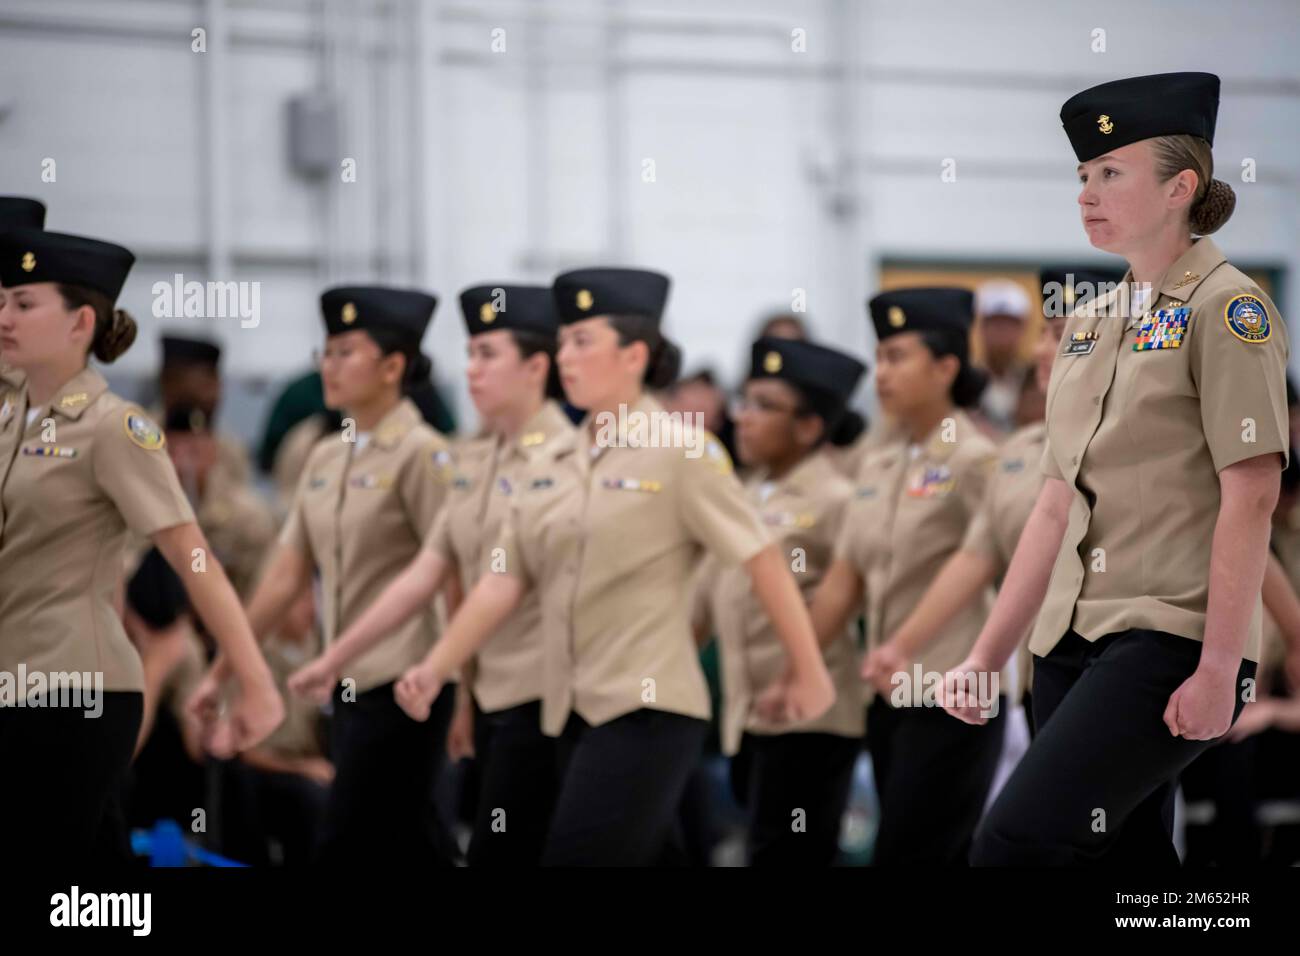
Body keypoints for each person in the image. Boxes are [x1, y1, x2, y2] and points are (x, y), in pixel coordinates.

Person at [939, 72, 1288, 866]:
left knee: (1016, 841)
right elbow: (1055, 505)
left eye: (1110, 174)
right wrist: (986, 657)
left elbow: (1253, 493)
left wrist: (1219, 668)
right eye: (1083, 177)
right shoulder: (1090, 325)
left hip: (1167, 636)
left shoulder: (1229, 310)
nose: (1087, 194)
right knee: (1129, 867)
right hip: (1067, 639)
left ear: (1181, 187)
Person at [392, 266, 836, 866]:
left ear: (633, 354)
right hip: (568, 711)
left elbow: (761, 560)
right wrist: (436, 666)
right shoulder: (553, 459)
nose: (563, 355)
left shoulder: (682, 450)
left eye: (581, 342)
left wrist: (808, 671)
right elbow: (503, 578)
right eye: (562, 341)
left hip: (646, 709)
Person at [0, 227, 282, 863]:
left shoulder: (115, 429)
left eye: (24, 304)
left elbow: (194, 557)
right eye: (3, 302)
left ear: (79, 323)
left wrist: (254, 678)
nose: (5, 317)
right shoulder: (12, 423)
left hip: (76, 694)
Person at [290, 282, 571, 866]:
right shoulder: (470, 459)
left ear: (536, 366)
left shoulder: (566, 459)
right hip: (488, 694)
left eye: (488, 354)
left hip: (550, 697)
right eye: (469, 354)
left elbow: (499, 586)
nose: (471, 369)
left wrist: (438, 671)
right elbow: (428, 572)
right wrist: (334, 659)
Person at [239, 285, 456, 866]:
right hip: (345, 684)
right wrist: (229, 662)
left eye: (346, 352)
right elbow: (285, 574)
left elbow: (452, 572)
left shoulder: (424, 455)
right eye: (325, 352)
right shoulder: (325, 457)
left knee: (347, 841)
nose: (328, 366)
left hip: (407, 683)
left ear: (393, 367)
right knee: (410, 840)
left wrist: (463, 686)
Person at [875, 269, 1119, 735]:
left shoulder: (1137, 441)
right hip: (1043, 665)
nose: (1039, 350)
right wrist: (906, 649)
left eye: (1058, 334)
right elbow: (979, 553)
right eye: (1044, 334)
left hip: (1120, 662)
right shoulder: (1023, 450)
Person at [809, 286, 1004, 865]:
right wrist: (797, 663)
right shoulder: (881, 460)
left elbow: (985, 557)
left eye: (897, 357)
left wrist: (902, 645)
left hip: (952, 691)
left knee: (916, 852)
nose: (881, 373)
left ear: (946, 367)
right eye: (879, 357)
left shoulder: (975, 460)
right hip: (889, 692)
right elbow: (845, 575)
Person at [694, 336, 867, 865]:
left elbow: (846, 593)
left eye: (765, 406)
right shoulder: (744, 491)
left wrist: (795, 675)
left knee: (789, 853)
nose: (743, 417)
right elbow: (707, 591)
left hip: (809, 718)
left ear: (810, 426)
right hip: (751, 713)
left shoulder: (836, 499)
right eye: (744, 402)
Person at [971, 280, 1032, 436]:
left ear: (1023, 328)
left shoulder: (1035, 380)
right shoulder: (965, 381)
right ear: (981, 327)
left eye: (1010, 324)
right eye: (995, 323)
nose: (1002, 332)